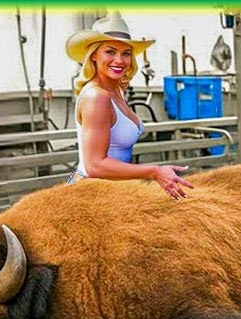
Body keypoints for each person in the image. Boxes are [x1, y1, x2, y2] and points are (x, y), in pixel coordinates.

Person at [65, 12, 192, 199]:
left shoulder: (116, 91)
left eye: (125, 53)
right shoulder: (97, 97)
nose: (119, 60)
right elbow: (94, 166)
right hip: (92, 194)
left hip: (114, 189)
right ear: (93, 56)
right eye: (110, 51)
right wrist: (154, 171)